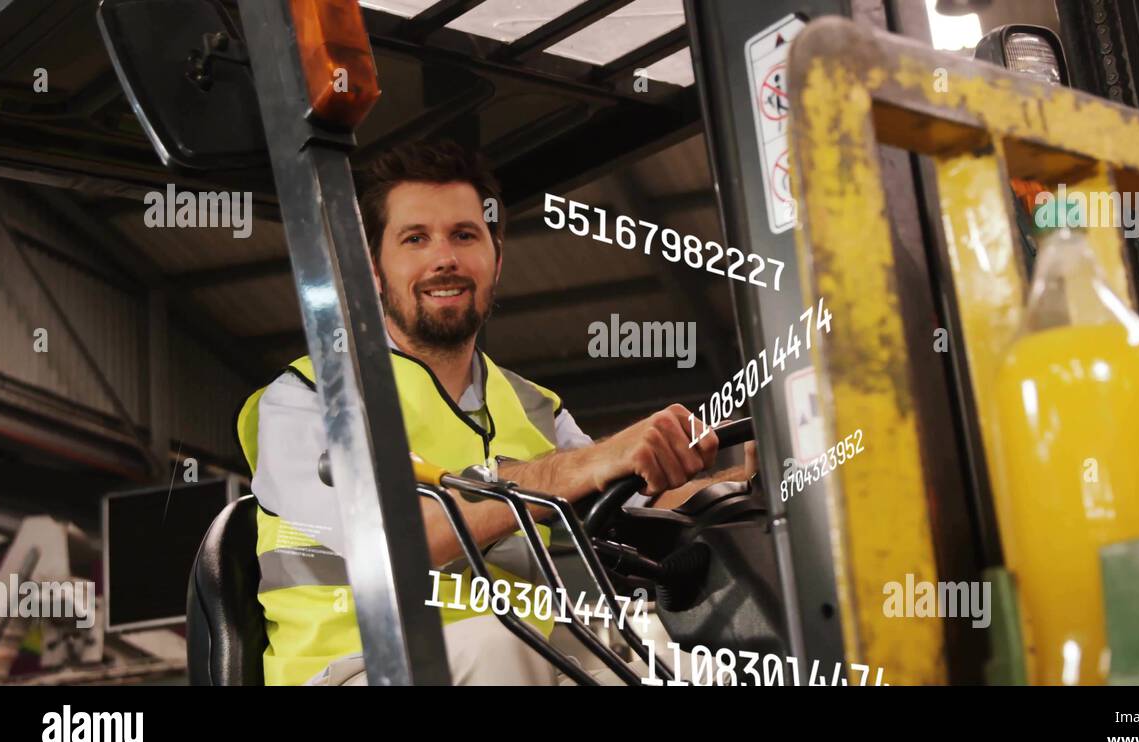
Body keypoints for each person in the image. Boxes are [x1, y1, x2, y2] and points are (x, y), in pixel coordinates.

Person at [235, 139, 753, 685]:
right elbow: (394, 541)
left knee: (694, 675)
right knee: (502, 643)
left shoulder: (532, 407)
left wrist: (747, 481)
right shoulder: (307, 399)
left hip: (518, 658)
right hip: (351, 671)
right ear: (372, 272)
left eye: (465, 235)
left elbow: (640, 498)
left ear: (496, 259)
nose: (445, 258)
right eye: (415, 238)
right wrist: (567, 470)